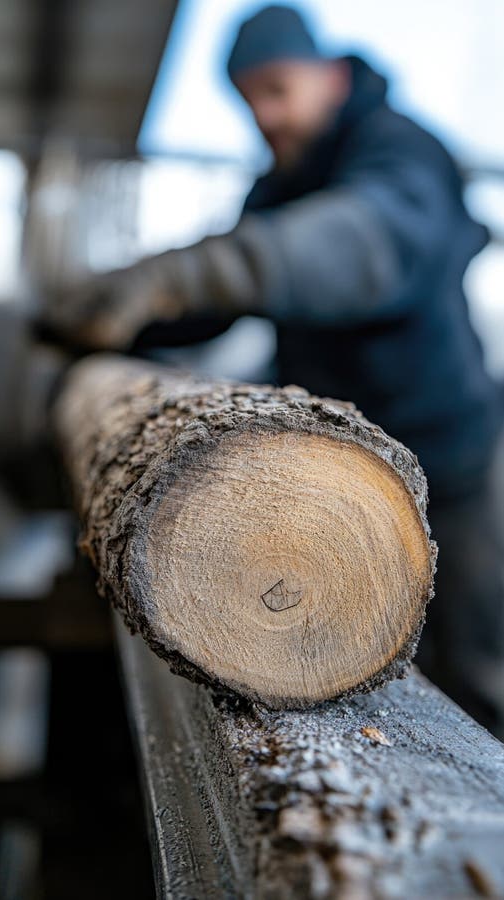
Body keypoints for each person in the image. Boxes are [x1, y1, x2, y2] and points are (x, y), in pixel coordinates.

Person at [44, 5, 504, 734]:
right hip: (329, 479)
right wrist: (127, 310)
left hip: (442, 456)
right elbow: (220, 299)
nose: (265, 116)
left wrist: (187, 273)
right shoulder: (281, 182)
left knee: (476, 670)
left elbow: (356, 246)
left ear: (328, 75)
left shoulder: (401, 153)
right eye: (248, 100)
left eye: (277, 89)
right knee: (342, 668)